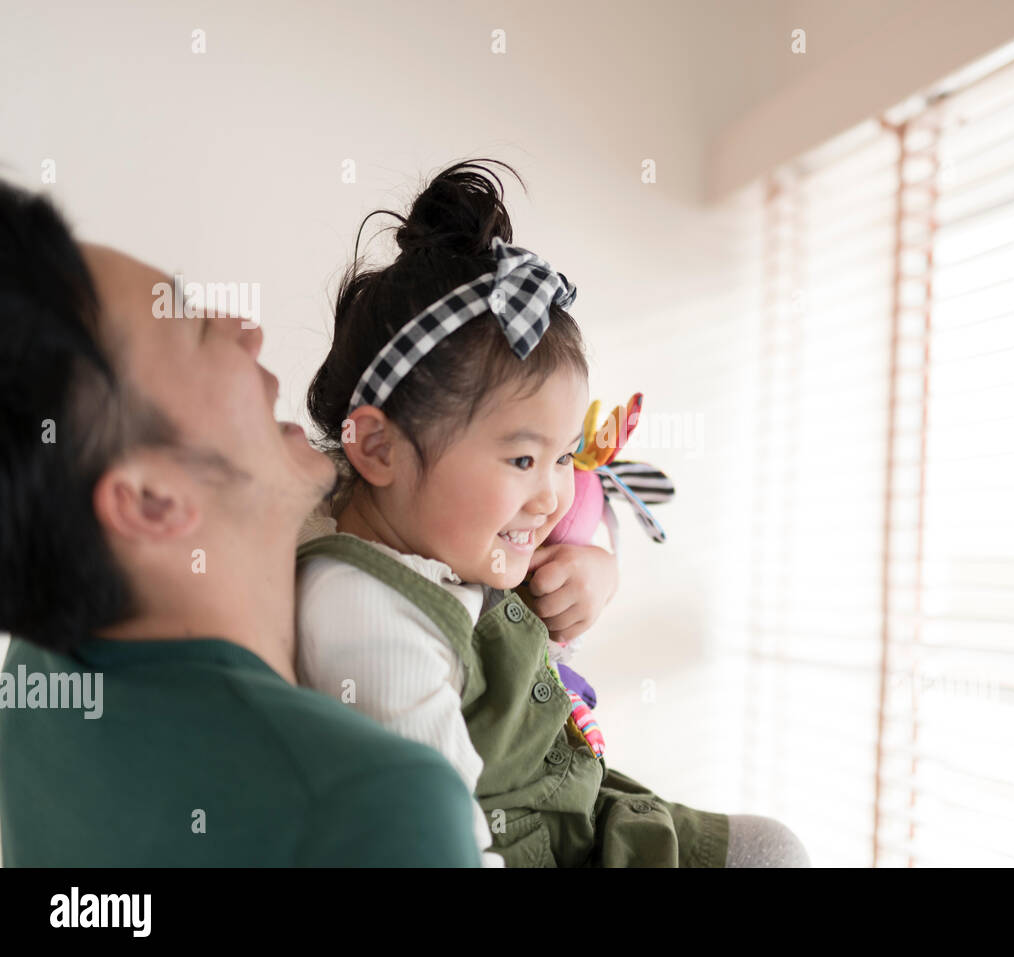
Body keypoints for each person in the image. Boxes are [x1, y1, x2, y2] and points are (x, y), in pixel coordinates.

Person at [295, 159, 811, 867]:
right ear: (378, 447)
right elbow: (436, 839)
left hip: (589, 810)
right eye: (521, 459)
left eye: (565, 456)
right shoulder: (367, 611)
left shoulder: (449, 539)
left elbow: (538, 646)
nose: (553, 495)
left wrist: (595, 575)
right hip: (533, 847)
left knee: (772, 848)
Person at [0, 181, 481, 866]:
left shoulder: (39, 680)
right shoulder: (374, 804)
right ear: (150, 501)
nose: (247, 327)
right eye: (197, 328)